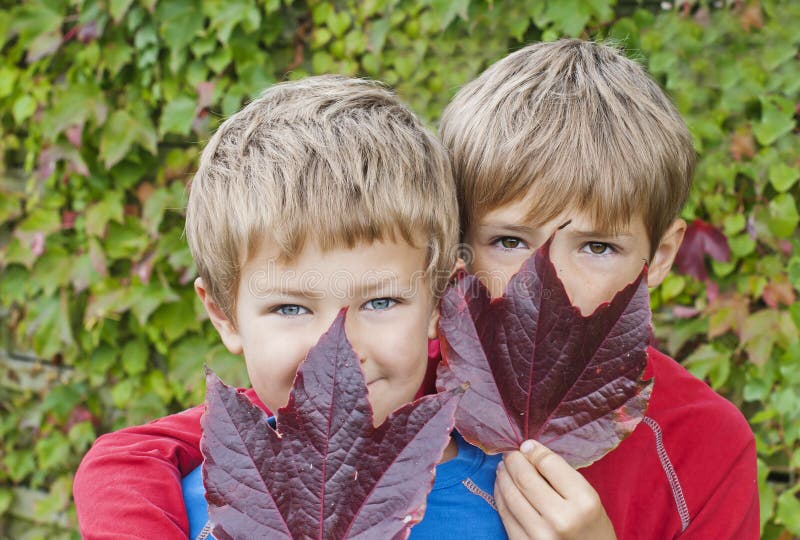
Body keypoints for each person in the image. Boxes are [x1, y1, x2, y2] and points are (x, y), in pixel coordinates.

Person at [73, 76, 507, 538]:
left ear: (441, 300)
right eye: (291, 309)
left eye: (381, 301)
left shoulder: (514, 502)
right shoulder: (187, 512)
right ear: (223, 314)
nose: (339, 351)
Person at [439, 39, 759, 539]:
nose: (548, 287)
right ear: (456, 243)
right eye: (508, 241)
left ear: (661, 257)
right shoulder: (394, 388)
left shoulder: (705, 445)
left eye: (597, 247)